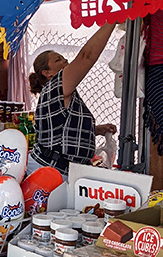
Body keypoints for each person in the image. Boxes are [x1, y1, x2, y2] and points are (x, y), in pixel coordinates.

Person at [27, 23, 118, 175]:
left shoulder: (58, 94)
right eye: (58, 60)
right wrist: (113, 20)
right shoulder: (54, 87)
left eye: (63, 59)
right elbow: (86, 57)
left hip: (56, 169)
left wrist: (94, 131)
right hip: (50, 170)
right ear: (47, 73)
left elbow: (60, 132)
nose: (66, 62)